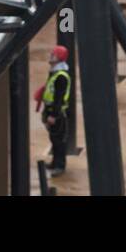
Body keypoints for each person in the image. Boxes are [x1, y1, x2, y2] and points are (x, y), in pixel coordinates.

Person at [39, 45, 72, 176]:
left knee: (58, 140)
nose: (51, 56)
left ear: (58, 58)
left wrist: (53, 115)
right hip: (51, 109)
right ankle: (55, 162)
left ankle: (60, 165)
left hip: (56, 112)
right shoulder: (55, 72)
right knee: (54, 138)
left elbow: (59, 97)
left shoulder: (61, 76)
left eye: (53, 54)